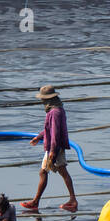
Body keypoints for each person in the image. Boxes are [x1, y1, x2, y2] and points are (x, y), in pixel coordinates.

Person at [23, 84, 77, 212]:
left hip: (55, 148)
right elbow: (49, 129)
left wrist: (53, 151)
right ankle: (36, 201)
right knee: (48, 172)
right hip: (53, 147)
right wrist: (39, 137)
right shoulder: (56, 110)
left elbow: (55, 133)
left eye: (43, 98)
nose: (41, 101)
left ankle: (72, 200)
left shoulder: (55, 112)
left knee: (57, 171)